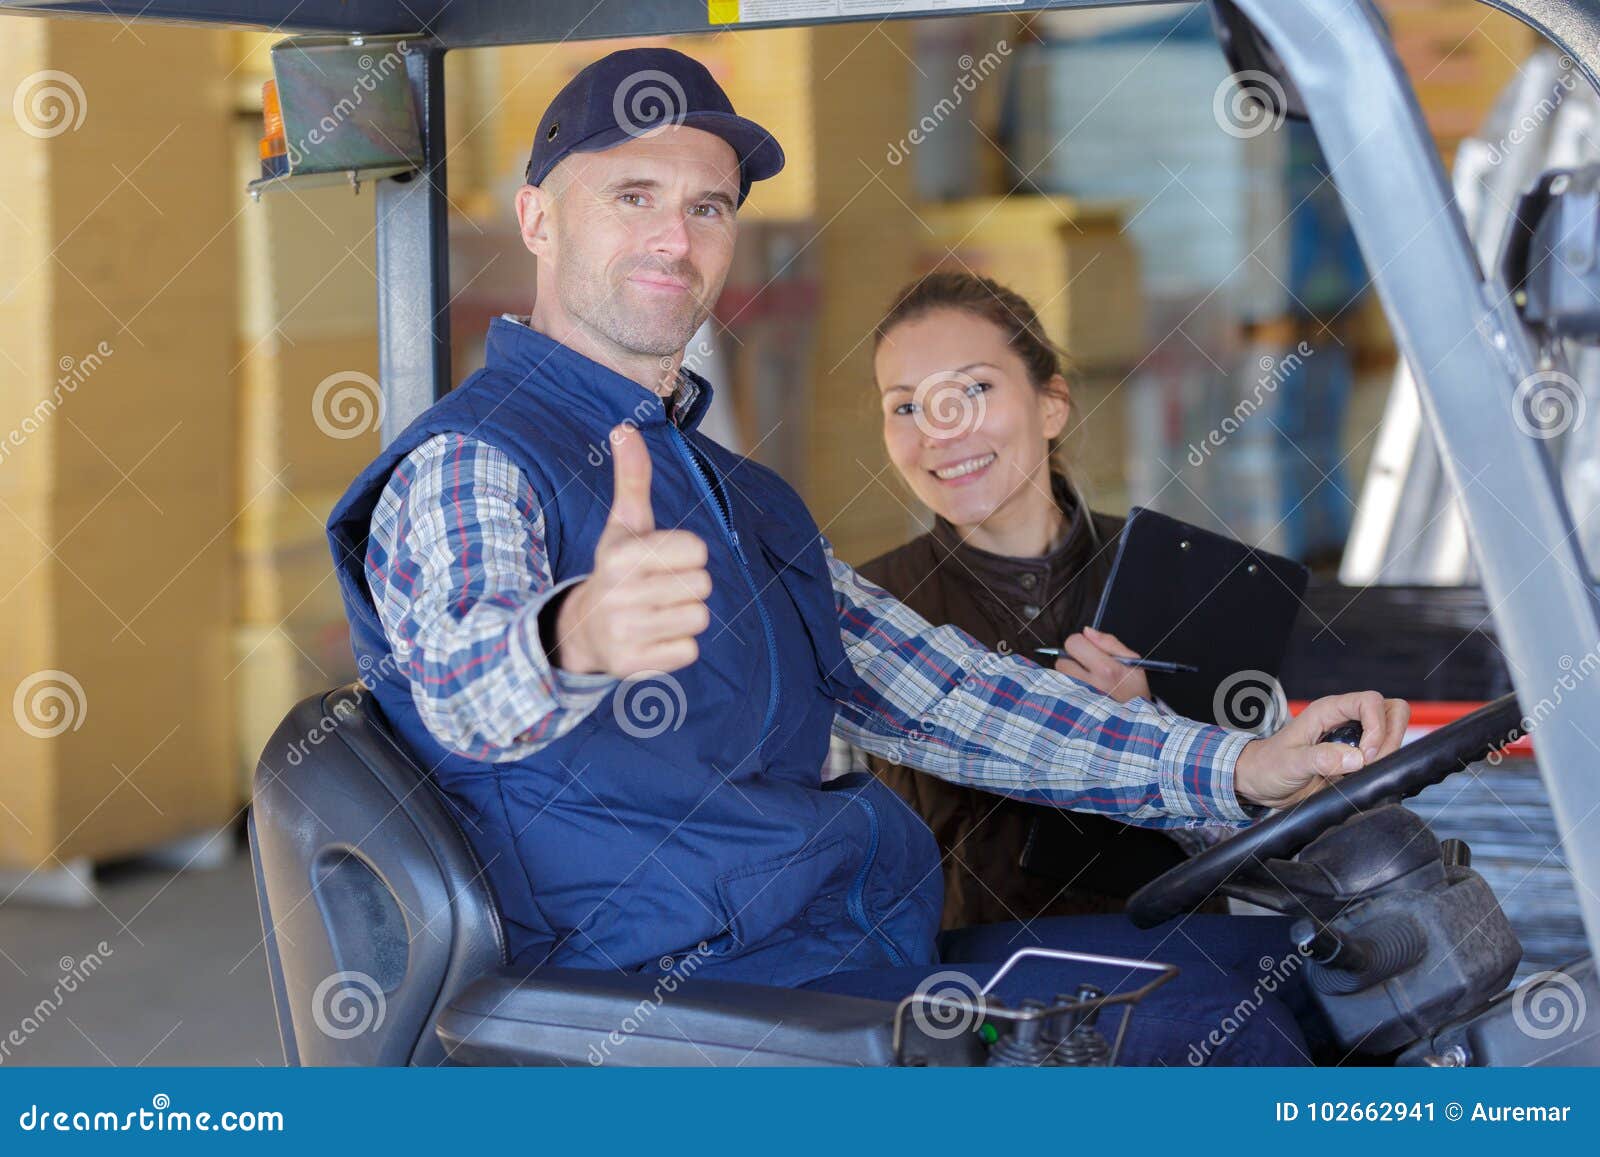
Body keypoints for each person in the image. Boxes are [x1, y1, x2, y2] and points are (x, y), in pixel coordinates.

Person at [324, 46, 1409, 1066]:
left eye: (706, 207)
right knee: (1235, 1043)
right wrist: (577, 635)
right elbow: (465, 676)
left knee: (1281, 974)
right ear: (537, 219)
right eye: (632, 195)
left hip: (838, 951)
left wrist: (1232, 767)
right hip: (687, 1019)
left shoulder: (733, 492)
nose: (675, 237)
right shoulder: (473, 459)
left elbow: (943, 693)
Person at [844, 270, 1264, 929]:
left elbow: (1269, 853)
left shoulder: (1189, 577)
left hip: (1179, 975)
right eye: (905, 405)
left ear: (1052, 405)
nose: (941, 428)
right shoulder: (868, 612)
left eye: (974, 388)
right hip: (971, 1000)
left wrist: (1148, 720)